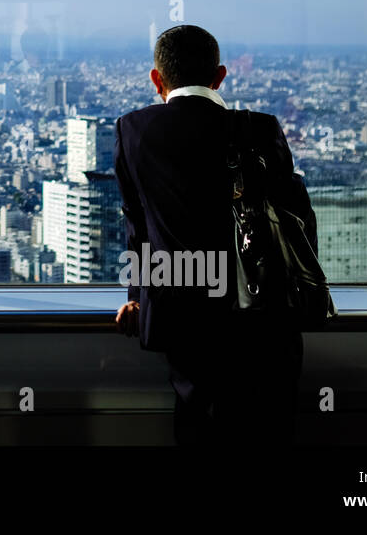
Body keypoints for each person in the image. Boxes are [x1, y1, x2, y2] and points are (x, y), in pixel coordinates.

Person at [112, 24, 316, 446]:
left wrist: (136, 293)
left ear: (157, 79)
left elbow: (138, 224)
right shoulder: (260, 129)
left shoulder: (132, 131)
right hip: (263, 324)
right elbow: (297, 218)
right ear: (219, 76)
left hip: (186, 325)